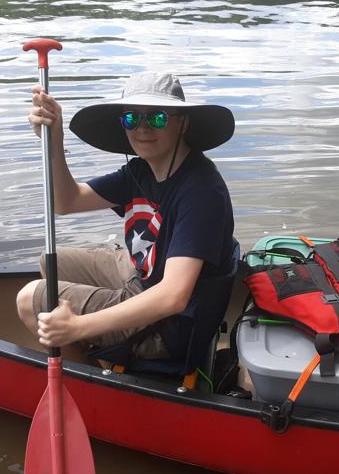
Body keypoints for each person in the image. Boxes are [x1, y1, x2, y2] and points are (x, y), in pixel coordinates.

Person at [16, 72, 236, 365]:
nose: (143, 129)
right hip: (143, 276)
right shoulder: (140, 170)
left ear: (182, 123)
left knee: (29, 299)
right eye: (132, 118)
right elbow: (66, 201)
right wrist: (55, 140)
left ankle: (88, 380)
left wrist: (77, 327)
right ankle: (94, 343)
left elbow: (173, 297)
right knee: (51, 262)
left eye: (157, 118)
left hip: (170, 326)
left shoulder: (201, 191)